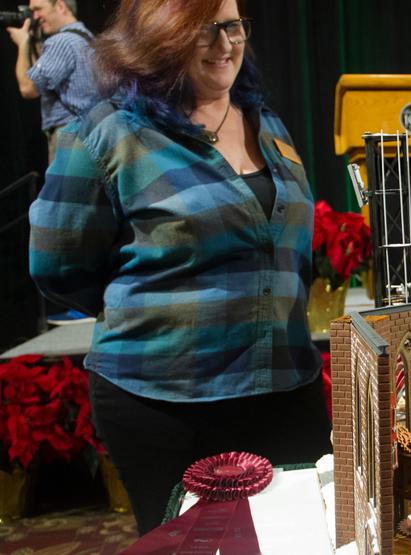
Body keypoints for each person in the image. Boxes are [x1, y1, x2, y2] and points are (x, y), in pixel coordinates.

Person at [28, 0, 330, 535]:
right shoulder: (107, 132)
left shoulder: (267, 123)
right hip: (164, 400)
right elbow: (56, 265)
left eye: (233, 25)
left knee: (301, 539)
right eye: (203, 30)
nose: (226, 44)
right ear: (157, 38)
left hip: (285, 387)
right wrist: (161, 311)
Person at [5, 0, 98, 160]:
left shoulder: (61, 41)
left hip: (70, 136)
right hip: (91, 132)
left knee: (64, 186)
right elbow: (41, 78)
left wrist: (22, 44)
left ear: (61, 6)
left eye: (38, 10)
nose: (34, 16)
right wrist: (34, 42)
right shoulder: (86, 37)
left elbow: (28, 88)